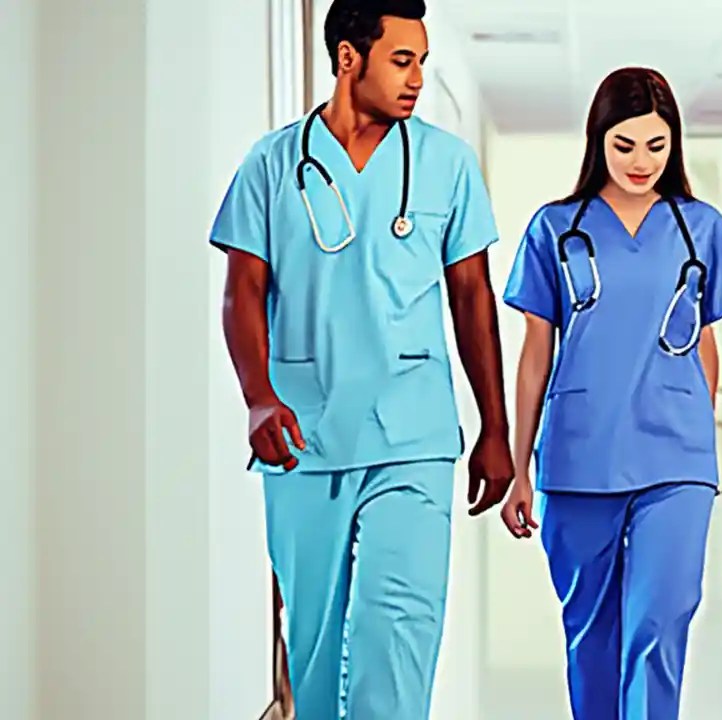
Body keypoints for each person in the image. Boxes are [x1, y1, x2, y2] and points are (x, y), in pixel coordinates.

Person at [209, 1, 515, 717]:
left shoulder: (445, 163)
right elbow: (242, 292)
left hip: (413, 435)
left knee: (396, 634)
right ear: (350, 59)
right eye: (401, 61)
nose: (416, 79)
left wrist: (494, 428)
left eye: (422, 62)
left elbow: (472, 298)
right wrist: (257, 395)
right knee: (312, 650)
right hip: (303, 439)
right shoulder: (273, 164)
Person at [498, 66, 722, 719]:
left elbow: (704, 340)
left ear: (675, 145)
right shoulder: (555, 228)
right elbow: (533, 357)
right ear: (598, 141)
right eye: (625, 145)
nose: (642, 162)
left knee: (660, 625)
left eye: (657, 146)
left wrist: (700, 439)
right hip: (581, 459)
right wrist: (520, 468)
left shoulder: (701, 227)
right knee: (591, 637)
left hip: (677, 463)